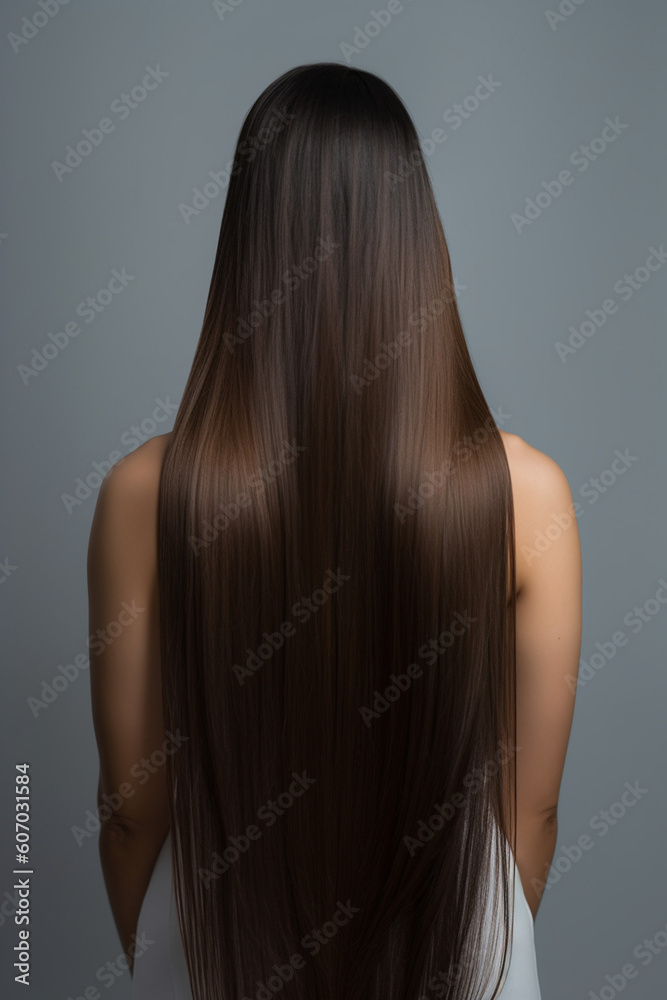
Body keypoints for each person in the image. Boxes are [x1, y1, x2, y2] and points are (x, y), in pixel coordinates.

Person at [87, 62, 582, 1000]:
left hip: (211, 944)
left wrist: (162, 958)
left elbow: (130, 814)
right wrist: (489, 946)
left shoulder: (144, 494)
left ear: (246, 243)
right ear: (416, 240)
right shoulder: (527, 493)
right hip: (462, 945)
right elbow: (536, 808)